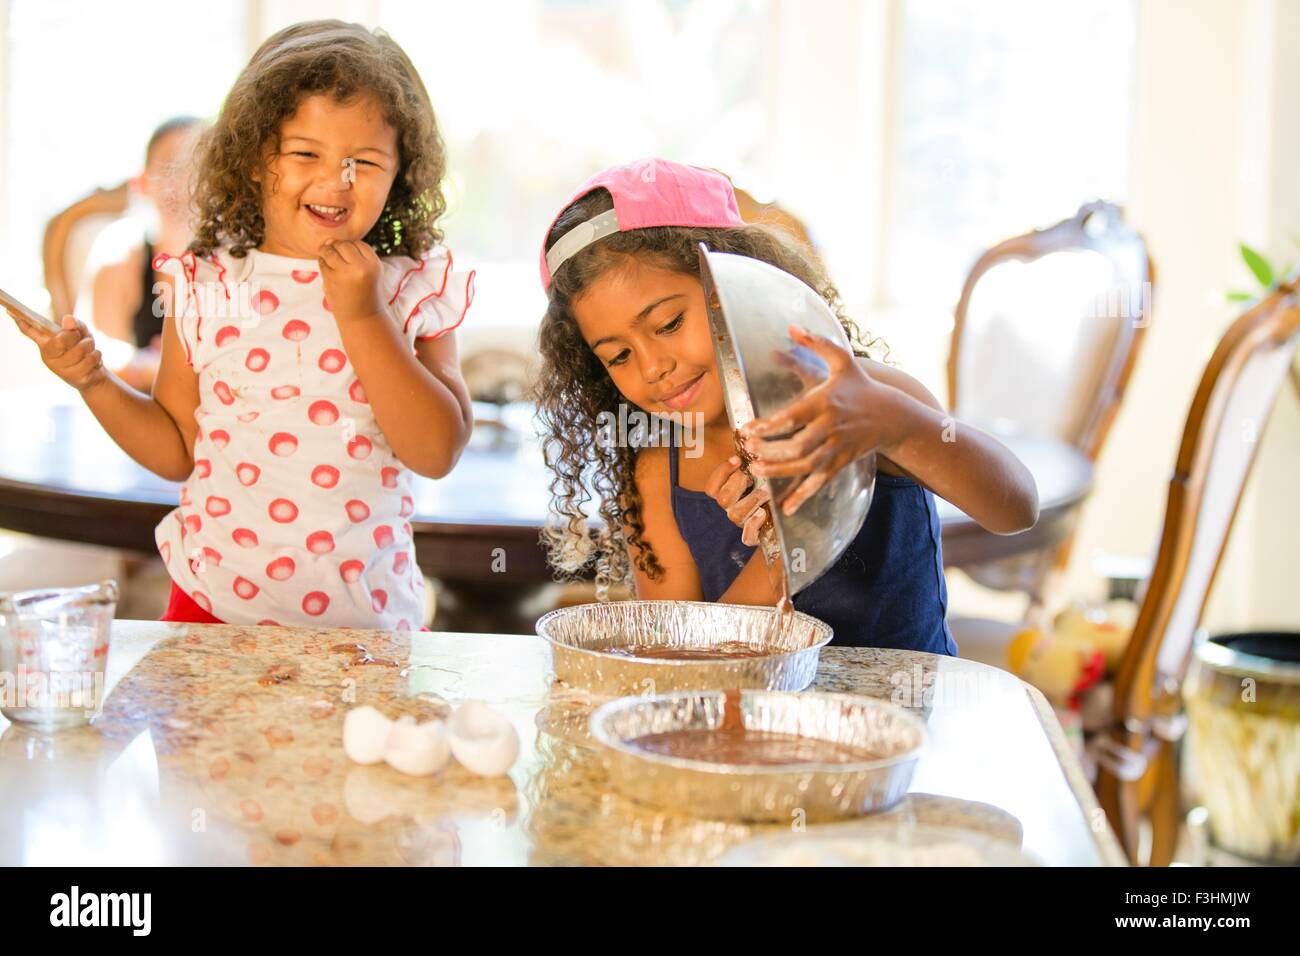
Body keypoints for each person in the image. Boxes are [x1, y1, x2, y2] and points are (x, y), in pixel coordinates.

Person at [6, 21, 474, 628]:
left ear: (400, 171)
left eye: (364, 160)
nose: (337, 181)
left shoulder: (412, 289)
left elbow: (435, 450)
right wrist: (93, 380)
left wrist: (362, 313)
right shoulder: (206, 285)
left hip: (363, 628)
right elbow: (177, 449)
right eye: (306, 153)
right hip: (212, 610)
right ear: (255, 159)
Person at [534, 159, 1039, 653]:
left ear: (736, 284)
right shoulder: (652, 472)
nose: (652, 368)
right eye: (619, 355)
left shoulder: (859, 402)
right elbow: (683, 657)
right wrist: (788, 541)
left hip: (903, 720)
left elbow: (1015, 507)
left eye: (668, 324)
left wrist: (895, 427)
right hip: (751, 728)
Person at [86, 117, 203, 391]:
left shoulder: (239, 260)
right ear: (142, 182)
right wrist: (152, 366)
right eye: (170, 167)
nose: (185, 181)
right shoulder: (123, 253)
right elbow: (96, 351)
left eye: (197, 165)